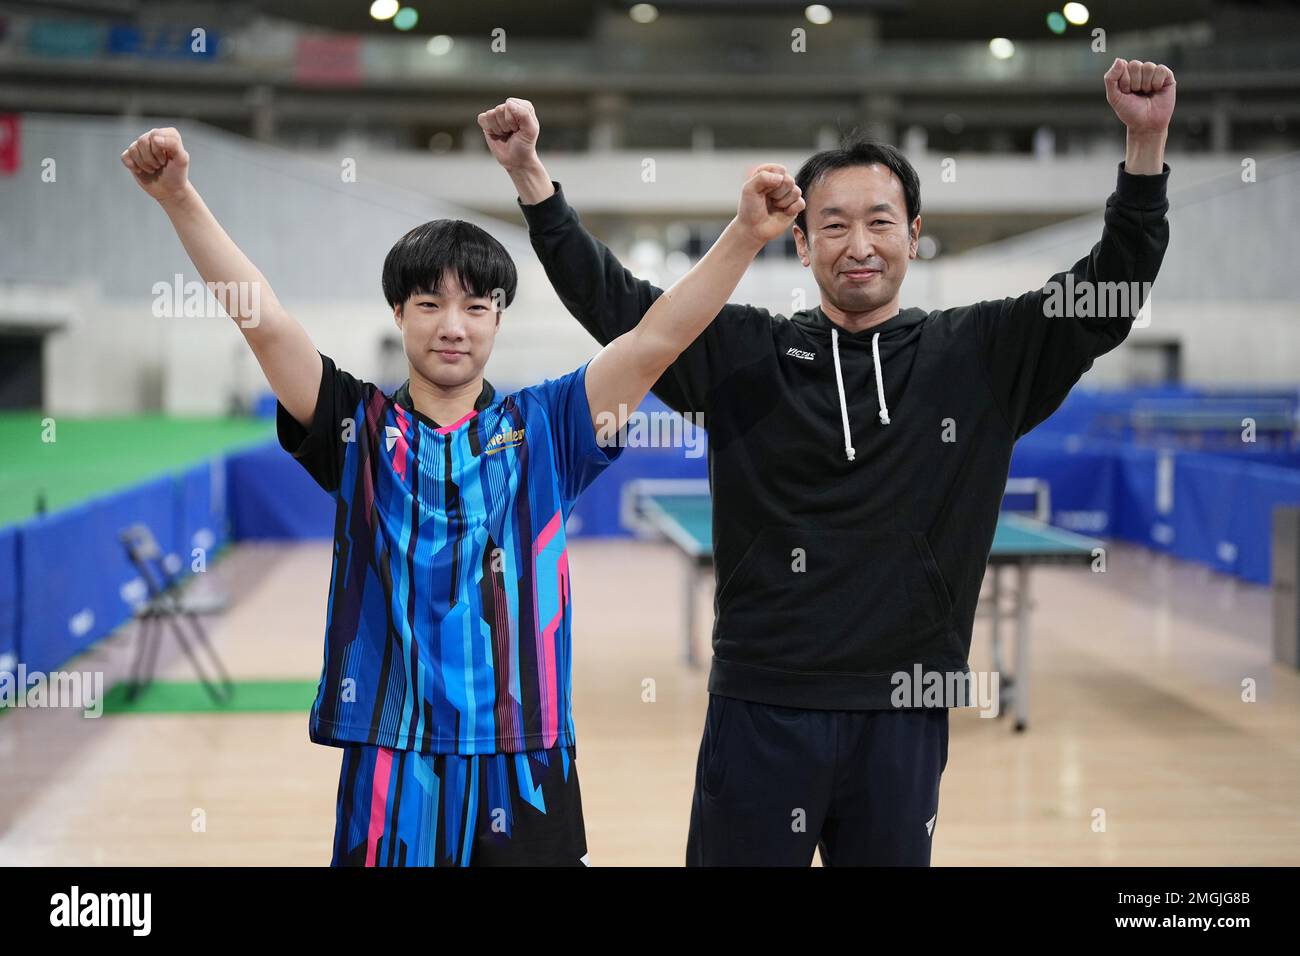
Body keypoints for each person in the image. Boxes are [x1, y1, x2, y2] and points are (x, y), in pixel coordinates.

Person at [481, 57, 1175, 866]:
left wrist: (1145, 145)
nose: (859, 244)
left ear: (915, 236)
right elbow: (617, 306)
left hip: (908, 706)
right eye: (835, 225)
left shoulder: (983, 352)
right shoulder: (743, 354)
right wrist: (532, 177)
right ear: (802, 242)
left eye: (881, 221)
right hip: (760, 703)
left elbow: (1112, 289)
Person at [120, 124, 804, 866]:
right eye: (429, 305)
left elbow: (654, 341)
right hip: (392, 757)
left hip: (526, 756)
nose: (453, 327)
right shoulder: (353, 426)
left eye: (476, 307)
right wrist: (180, 199)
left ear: (499, 319)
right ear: (398, 315)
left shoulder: (551, 427)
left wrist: (743, 235)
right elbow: (263, 324)